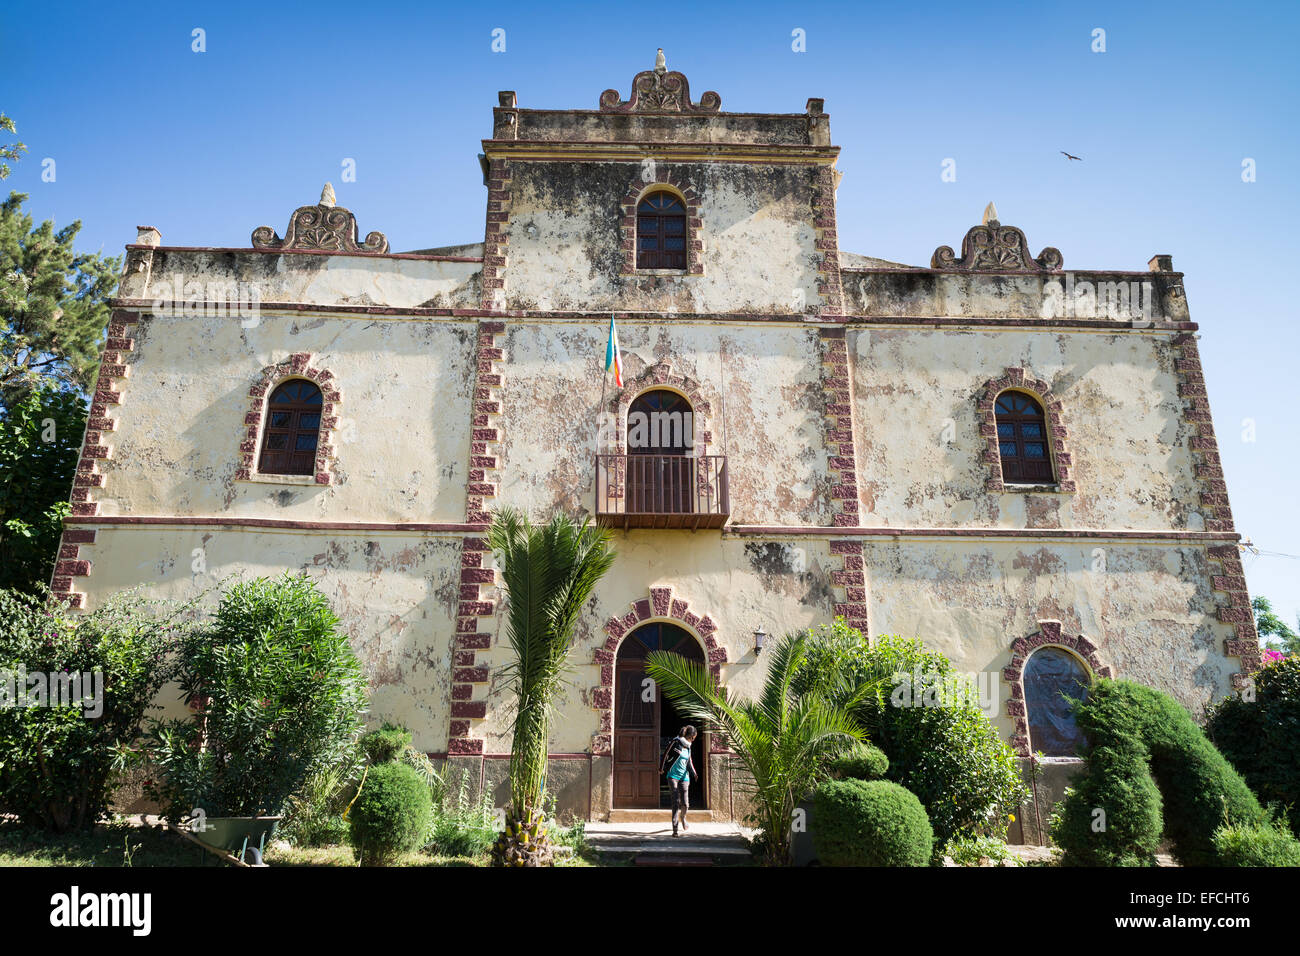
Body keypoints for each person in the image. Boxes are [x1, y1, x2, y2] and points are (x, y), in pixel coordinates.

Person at [661, 725, 698, 837]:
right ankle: (675, 829)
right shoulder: (675, 742)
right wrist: (661, 768)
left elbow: (689, 761)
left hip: (684, 777)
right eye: (693, 737)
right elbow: (666, 754)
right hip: (673, 776)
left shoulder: (689, 746)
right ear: (690, 736)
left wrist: (694, 773)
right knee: (675, 802)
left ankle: (683, 817)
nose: (694, 740)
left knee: (685, 804)